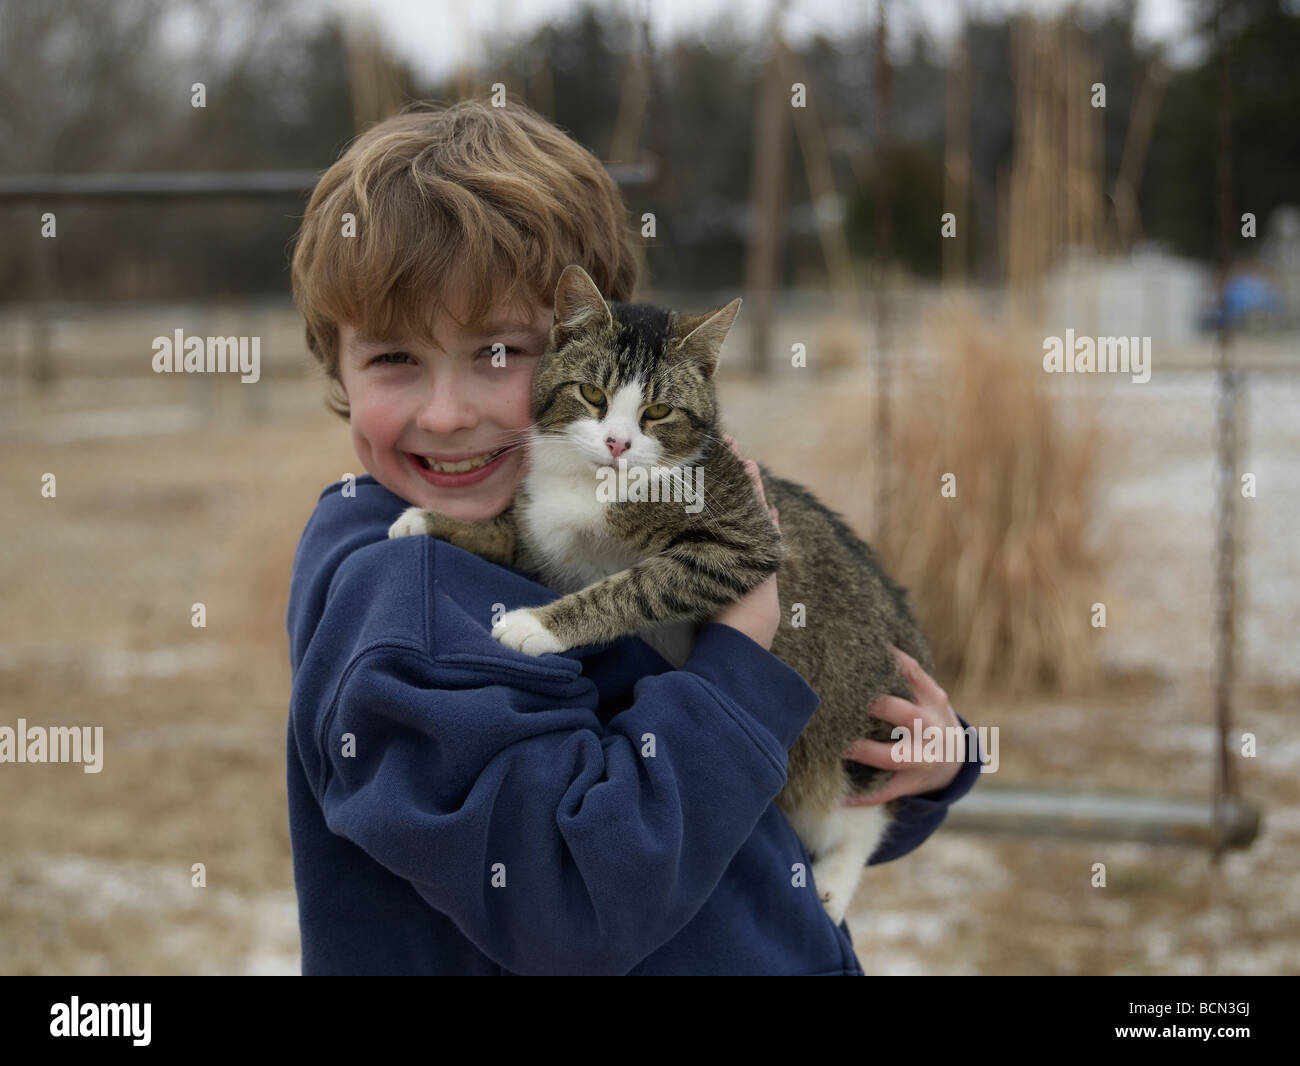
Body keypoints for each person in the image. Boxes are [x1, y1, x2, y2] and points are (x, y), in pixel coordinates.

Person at [285, 99, 982, 975]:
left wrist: (914, 764)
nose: (449, 413)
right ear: (336, 368)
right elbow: (576, 903)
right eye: (394, 359)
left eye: (500, 354)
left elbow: (740, 828)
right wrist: (736, 660)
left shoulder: (609, 519)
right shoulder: (411, 603)